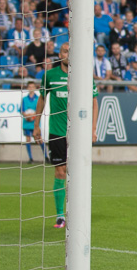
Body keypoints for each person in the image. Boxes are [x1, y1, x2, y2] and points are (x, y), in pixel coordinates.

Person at [33, 43, 98, 229]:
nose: (68, 54)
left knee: (78, 172)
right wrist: (36, 125)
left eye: (71, 51)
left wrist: (92, 128)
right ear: (60, 54)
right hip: (57, 131)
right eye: (65, 51)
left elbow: (94, 102)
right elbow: (42, 99)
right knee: (61, 171)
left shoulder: (84, 75)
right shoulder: (50, 76)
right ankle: (60, 216)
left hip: (79, 133)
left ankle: (77, 212)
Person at [21, 80, 46, 163]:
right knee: (28, 139)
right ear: (27, 88)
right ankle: (30, 158)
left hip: (35, 122)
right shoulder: (24, 99)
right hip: (27, 123)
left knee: (39, 139)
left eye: (33, 87)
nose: (31, 88)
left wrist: (33, 116)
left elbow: (39, 109)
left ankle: (46, 156)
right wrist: (27, 116)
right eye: (29, 87)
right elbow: (22, 110)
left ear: (35, 88)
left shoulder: (38, 98)